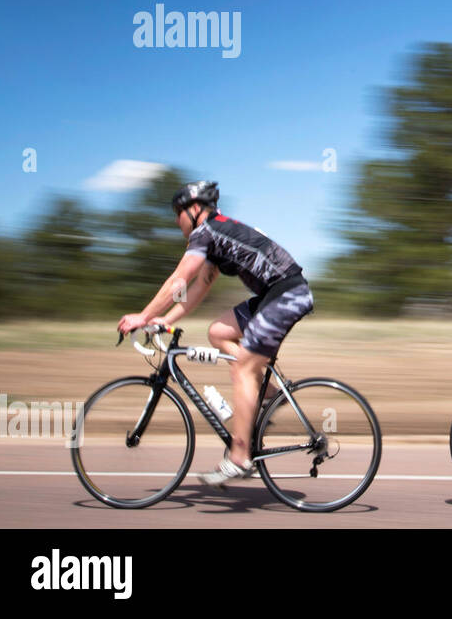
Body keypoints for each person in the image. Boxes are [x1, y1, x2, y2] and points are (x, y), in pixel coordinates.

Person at [116, 181, 314, 486]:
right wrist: (164, 321)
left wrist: (143, 316)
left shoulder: (206, 232)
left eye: (177, 213)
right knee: (219, 332)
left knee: (243, 369)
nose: (175, 220)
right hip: (272, 295)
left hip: (286, 293)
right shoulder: (214, 236)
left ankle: (239, 458)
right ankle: (270, 393)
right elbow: (194, 289)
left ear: (195, 210)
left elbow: (178, 278)